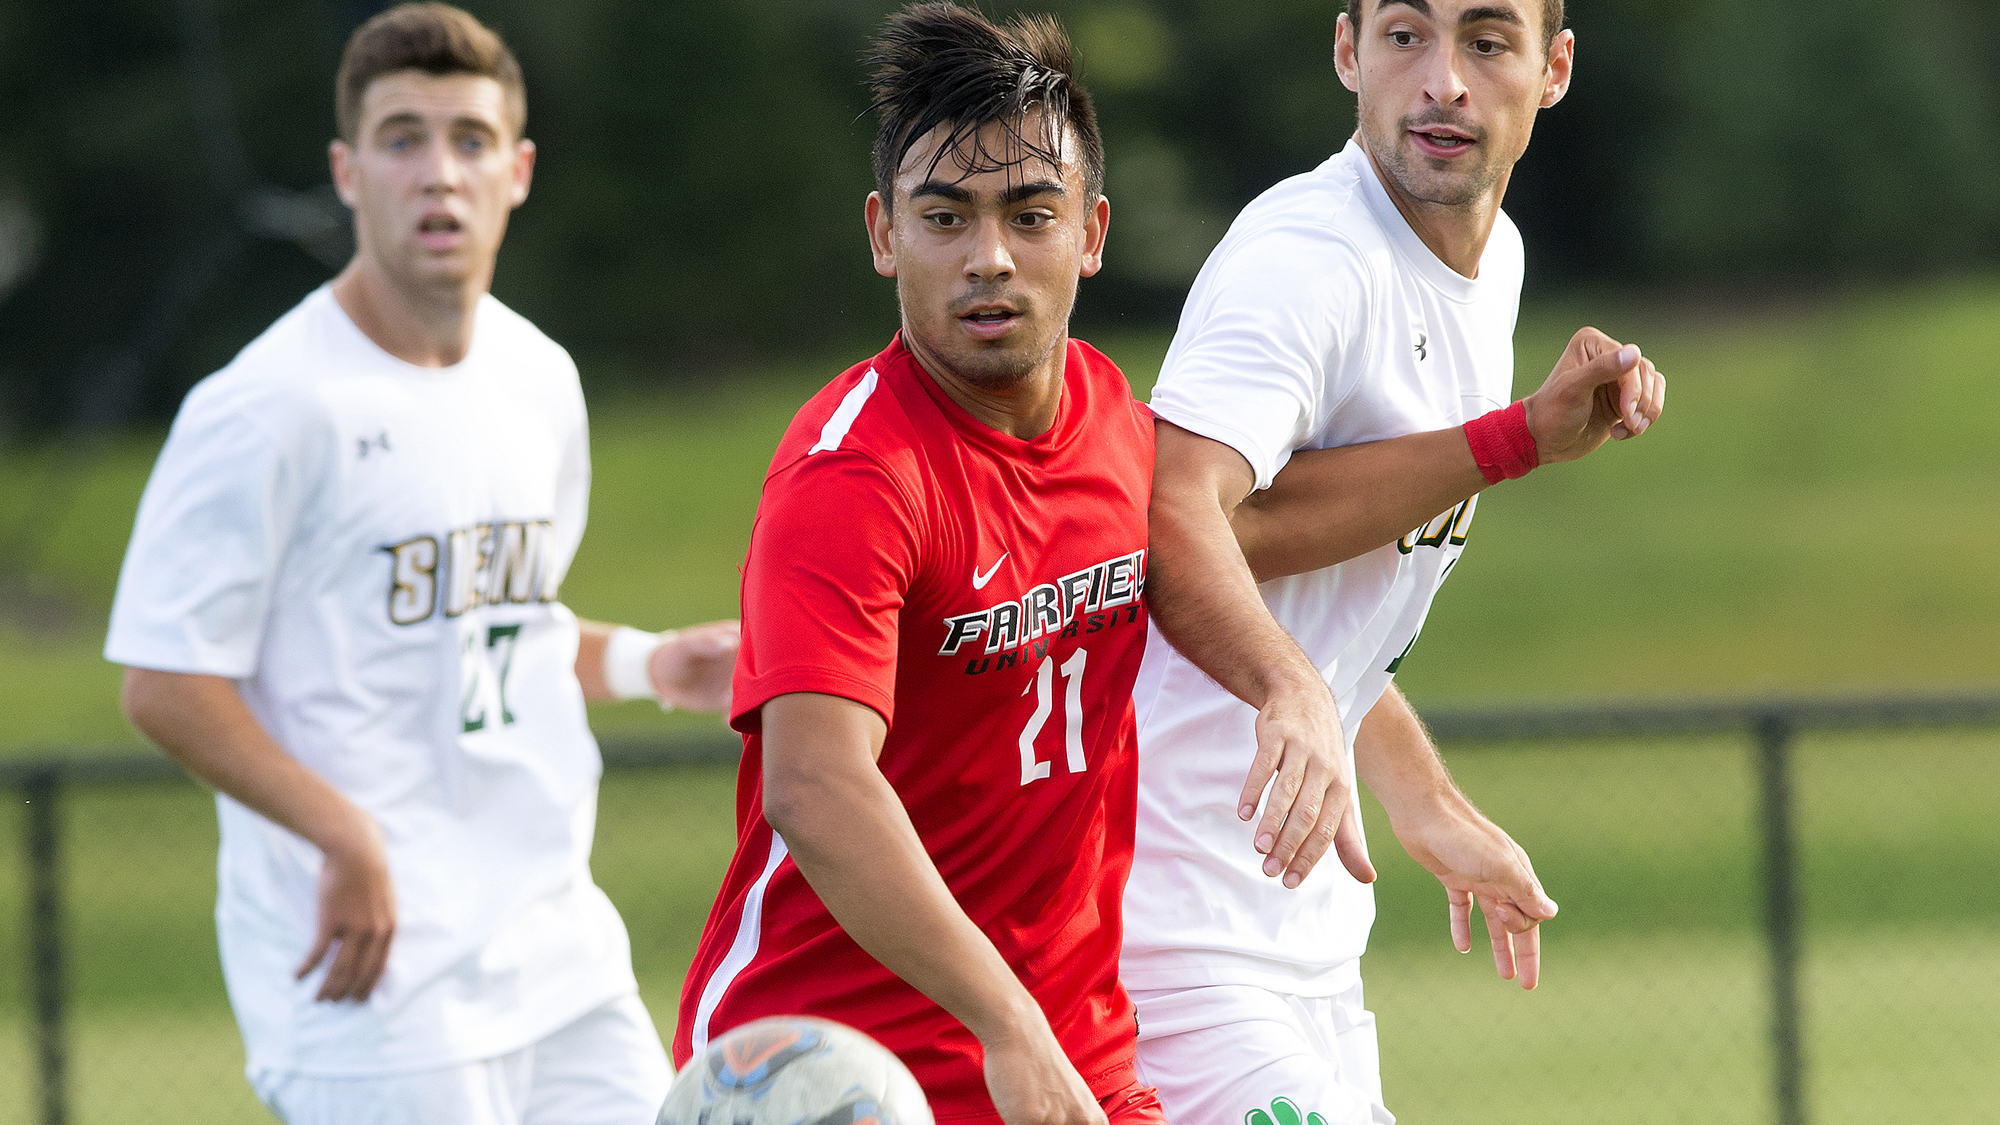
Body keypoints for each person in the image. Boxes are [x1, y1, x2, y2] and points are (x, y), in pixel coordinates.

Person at [671, 6, 1369, 1125]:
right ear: (882, 234)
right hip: (834, 1071)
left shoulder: (1106, 411)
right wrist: (1005, 1024)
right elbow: (816, 785)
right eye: (942, 217)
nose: (987, 257)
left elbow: (1225, 554)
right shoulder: (851, 473)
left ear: (1090, 232)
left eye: (1026, 214)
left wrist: (1301, 690)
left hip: (1071, 1056)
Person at [103, 6, 738, 1123]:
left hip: (556, 950)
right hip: (374, 984)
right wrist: (341, 833)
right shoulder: (264, 408)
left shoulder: (540, 378)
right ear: (348, 173)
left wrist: (644, 665)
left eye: (469, 139)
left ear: (519, 169)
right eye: (402, 139)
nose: (437, 173)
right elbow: (166, 680)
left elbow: (495, 620)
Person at [1123, 1, 1667, 1122]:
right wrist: (1509, 442)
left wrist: (1421, 797)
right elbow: (1173, 517)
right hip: (1174, 932)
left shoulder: (1491, 262)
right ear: (1345, 52)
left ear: (1551, 68)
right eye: (1405, 36)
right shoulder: (1305, 259)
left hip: (1304, 936)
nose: (1442, 83)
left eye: (1483, 40)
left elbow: (1309, 582)